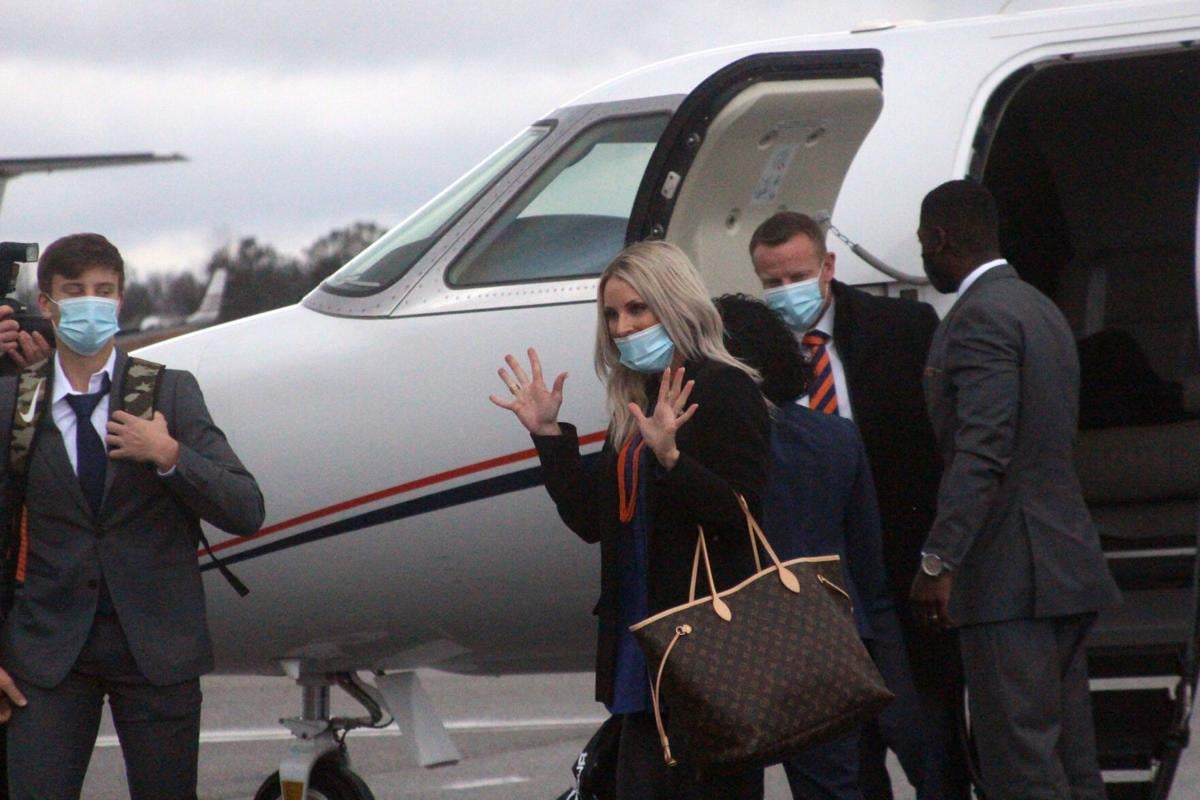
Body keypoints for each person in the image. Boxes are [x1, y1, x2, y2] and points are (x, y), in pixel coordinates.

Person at [491, 241, 769, 799]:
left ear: (675, 303)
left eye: (637, 309)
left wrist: (673, 460)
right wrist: (548, 436)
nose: (623, 327)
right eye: (613, 315)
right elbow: (593, 522)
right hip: (641, 650)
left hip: (707, 653)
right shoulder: (634, 402)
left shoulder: (724, 388)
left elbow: (742, 518)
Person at [0, 233, 265, 800]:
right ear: (46, 304)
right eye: (74, 291)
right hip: (47, 655)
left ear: (120, 301)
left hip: (157, 650)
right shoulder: (15, 404)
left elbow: (245, 508)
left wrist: (170, 456)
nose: (90, 304)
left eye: (103, 291)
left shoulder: (169, 392)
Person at [911, 180, 1121, 799]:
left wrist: (938, 559)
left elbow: (982, 452)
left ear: (938, 238)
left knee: (1020, 768)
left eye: (923, 243)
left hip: (1010, 577)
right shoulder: (1038, 307)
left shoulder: (979, 317)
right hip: (1061, 562)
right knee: (1073, 762)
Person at [749, 212, 962, 800]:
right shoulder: (752, 354)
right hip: (813, 590)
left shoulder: (900, 328)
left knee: (932, 745)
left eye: (797, 276)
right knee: (849, 761)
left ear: (828, 266)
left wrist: (941, 557)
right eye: (771, 283)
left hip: (899, 570)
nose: (785, 292)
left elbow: (939, 447)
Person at [715, 293, 923, 800]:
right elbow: (867, 563)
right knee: (832, 786)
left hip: (732, 642)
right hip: (824, 636)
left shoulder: (715, 442)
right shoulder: (836, 437)